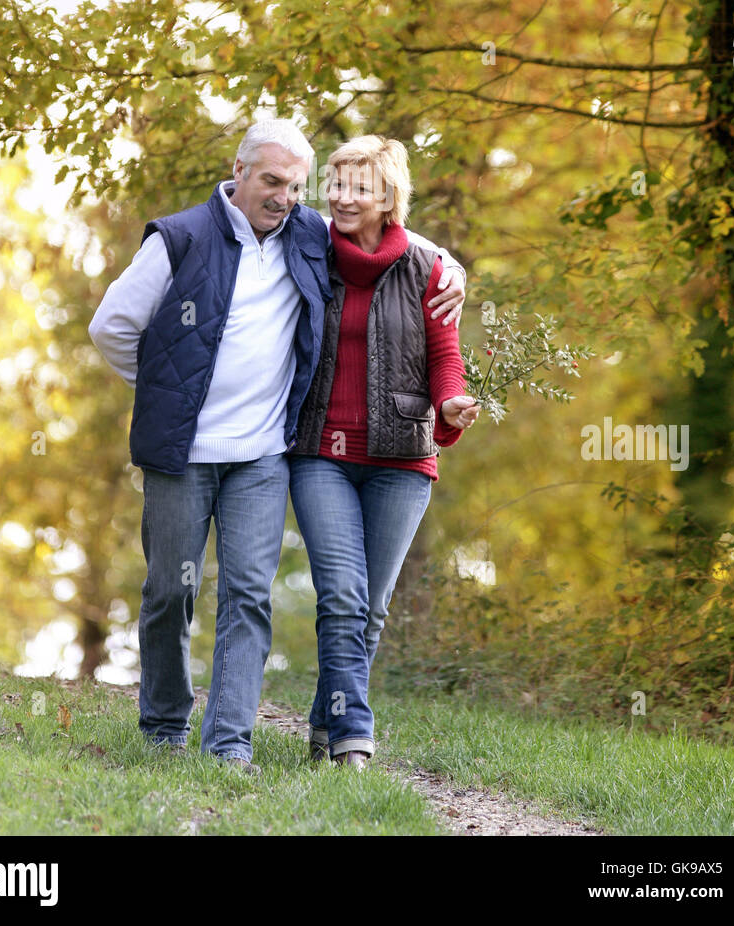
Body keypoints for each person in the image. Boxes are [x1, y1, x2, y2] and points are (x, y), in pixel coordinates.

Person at [87, 118, 466, 770]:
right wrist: (164, 392)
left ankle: (229, 745)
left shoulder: (305, 232)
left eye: (295, 186)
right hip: (183, 452)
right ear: (238, 171)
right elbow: (111, 326)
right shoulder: (181, 237)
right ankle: (165, 728)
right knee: (171, 592)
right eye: (271, 181)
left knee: (248, 598)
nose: (283, 197)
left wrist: (451, 266)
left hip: (262, 454)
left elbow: (389, 235)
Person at [289, 136, 481, 768]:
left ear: (389, 197)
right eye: (336, 184)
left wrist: (450, 402)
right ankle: (353, 737)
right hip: (321, 451)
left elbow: (444, 355)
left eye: (360, 187)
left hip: (401, 457)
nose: (343, 198)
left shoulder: (428, 267)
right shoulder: (308, 249)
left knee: (369, 608)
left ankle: (326, 722)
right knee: (342, 596)